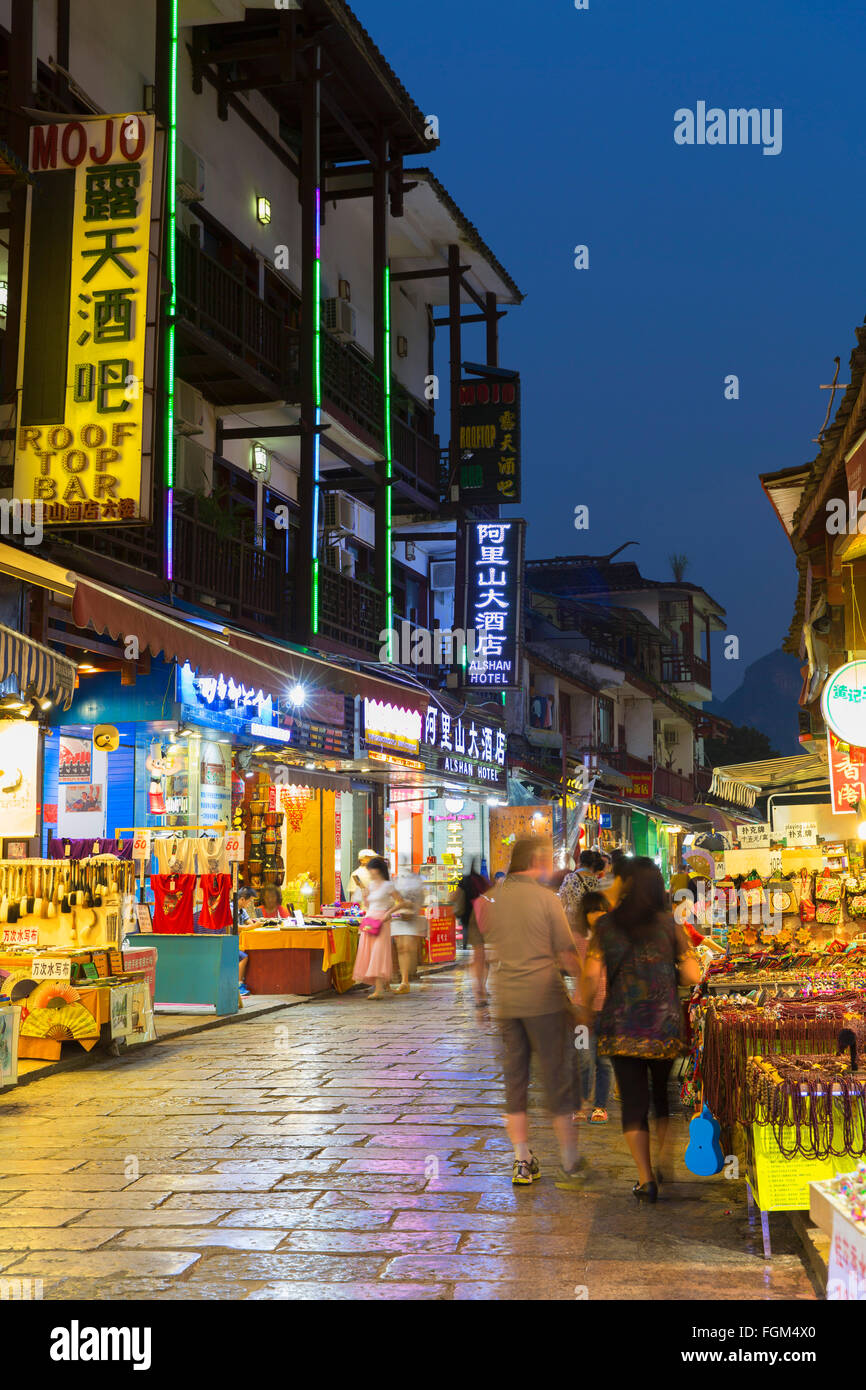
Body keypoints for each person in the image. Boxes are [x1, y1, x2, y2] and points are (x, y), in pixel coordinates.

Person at [580, 856, 702, 1202]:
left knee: (633, 1103)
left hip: (621, 1026)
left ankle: (646, 1178)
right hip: (664, 1025)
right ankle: (665, 1158)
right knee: (661, 1097)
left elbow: (590, 977)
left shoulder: (605, 926)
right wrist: (668, 975)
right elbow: (693, 976)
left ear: (628, 885)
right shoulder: (670, 925)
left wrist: (584, 1009)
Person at [484, 837, 587, 1189]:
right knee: (557, 1079)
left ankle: (522, 1159)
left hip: (507, 1000)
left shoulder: (496, 899)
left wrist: (482, 1002)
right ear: (535, 860)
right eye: (545, 859)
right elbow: (567, 955)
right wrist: (585, 992)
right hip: (544, 1001)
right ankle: (570, 1160)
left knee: (515, 1081)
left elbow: (487, 950)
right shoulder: (547, 899)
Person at [570, 891, 611, 1124]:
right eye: (593, 910)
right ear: (584, 914)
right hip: (580, 1009)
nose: (598, 915)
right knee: (583, 1058)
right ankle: (581, 1102)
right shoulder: (576, 939)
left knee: (604, 1060)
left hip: (607, 1008)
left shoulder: (614, 938)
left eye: (602, 910)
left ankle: (600, 1105)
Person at [352, 856, 397, 1000]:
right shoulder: (371, 885)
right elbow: (369, 904)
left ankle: (379, 990)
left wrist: (388, 913)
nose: (370, 872)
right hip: (370, 919)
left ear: (378, 869)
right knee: (370, 952)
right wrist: (365, 896)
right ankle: (378, 987)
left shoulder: (388, 885)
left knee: (378, 953)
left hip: (382, 921)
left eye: (371, 869)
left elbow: (401, 902)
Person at [390, 867, 427, 993]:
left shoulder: (415, 882)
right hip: (398, 917)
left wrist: (413, 908)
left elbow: (421, 899)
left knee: (407, 947)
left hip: (410, 917)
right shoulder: (395, 880)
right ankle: (404, 979)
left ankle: (405, 979)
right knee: (401, 947)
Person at [558, 849, 602, 935]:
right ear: (593, 864)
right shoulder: (597, 882)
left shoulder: (570, 878)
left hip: (573, 923)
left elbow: (561, 901)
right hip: (590, 925)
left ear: (579, 861)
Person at [452, 860, 488, 950]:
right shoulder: (480, 879)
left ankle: (465, 947)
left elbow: (454, 896)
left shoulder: (464, 879)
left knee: (465, 927)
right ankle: (477, 948)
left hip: (466, 910)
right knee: (477, 932)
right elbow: (488, 892)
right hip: (478, 910)